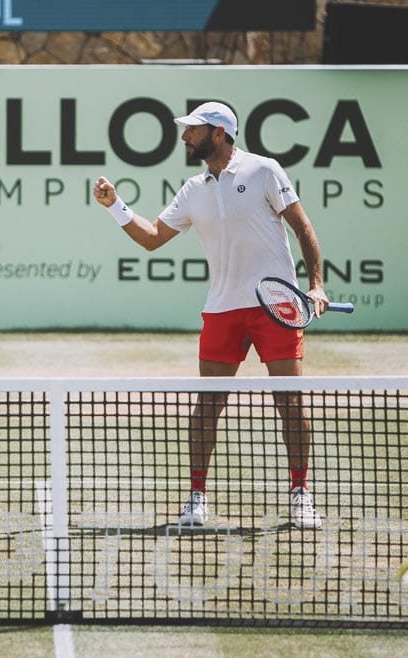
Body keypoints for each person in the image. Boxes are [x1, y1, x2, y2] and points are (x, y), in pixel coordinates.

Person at [93, 101, 326, 530]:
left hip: (276, 307)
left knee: (290, 402)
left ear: (219, 133)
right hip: (222, 308)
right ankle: (196, 498)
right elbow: (152, 237)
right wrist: (115, 205)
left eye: (193, 130)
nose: (185, 137)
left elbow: (302, 227)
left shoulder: (264, 171)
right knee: (207, 406)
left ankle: (300, 494)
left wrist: (316, 285)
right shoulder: (193, 189)